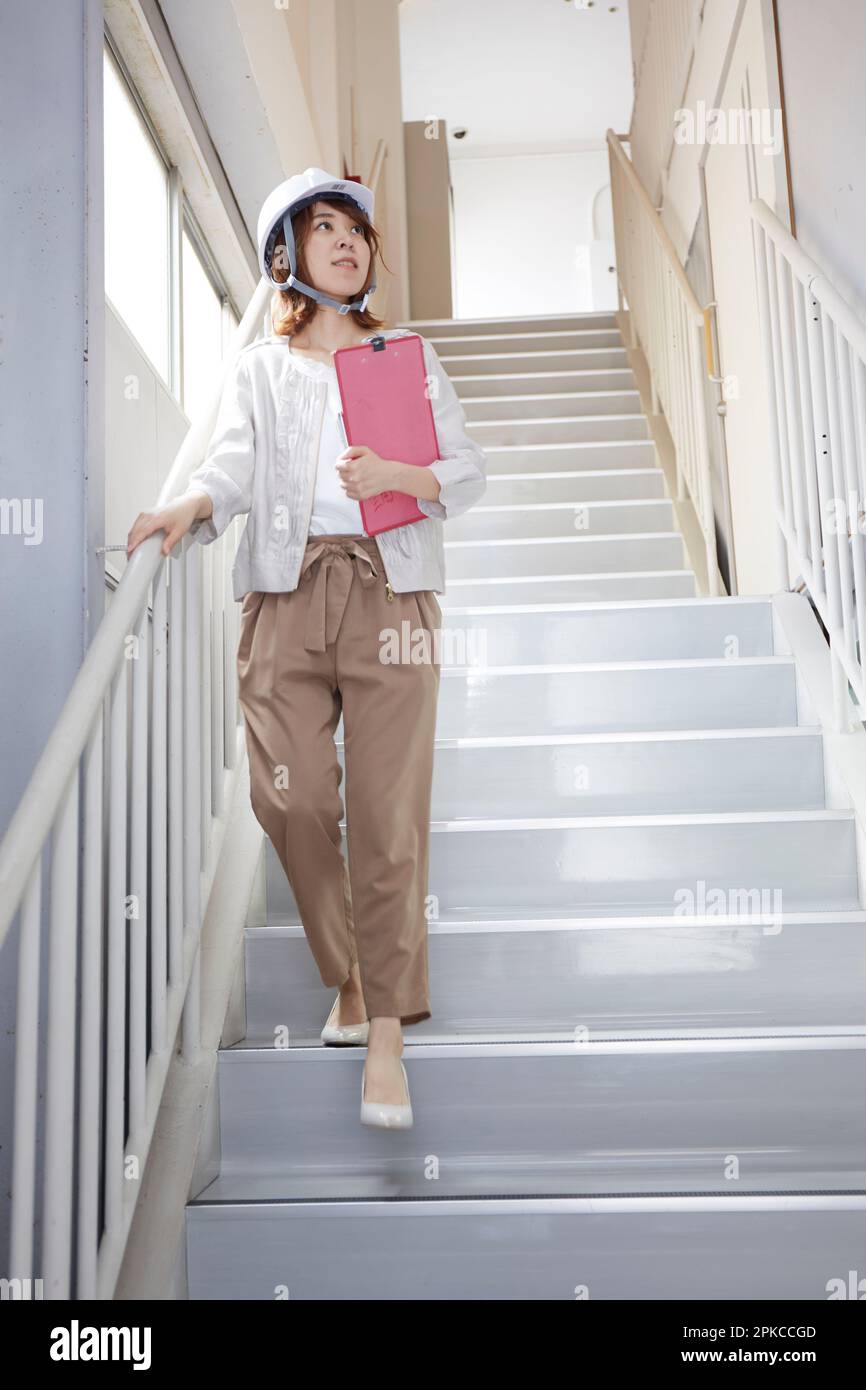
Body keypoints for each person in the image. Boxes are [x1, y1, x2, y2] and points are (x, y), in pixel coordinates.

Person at [127, 167, 487, 1128]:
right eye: (321, 228)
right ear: (286, 254)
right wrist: (191, 507)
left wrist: (397, 471)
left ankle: (385, 1036)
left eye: (355, 230)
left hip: (392, 591)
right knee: (286, 797)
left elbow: (468, 470)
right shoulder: (261, 367)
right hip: (285, 592)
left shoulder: (406, 354)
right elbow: (232, 465)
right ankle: (354, 977)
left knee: (385, 812)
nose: (344, 242)